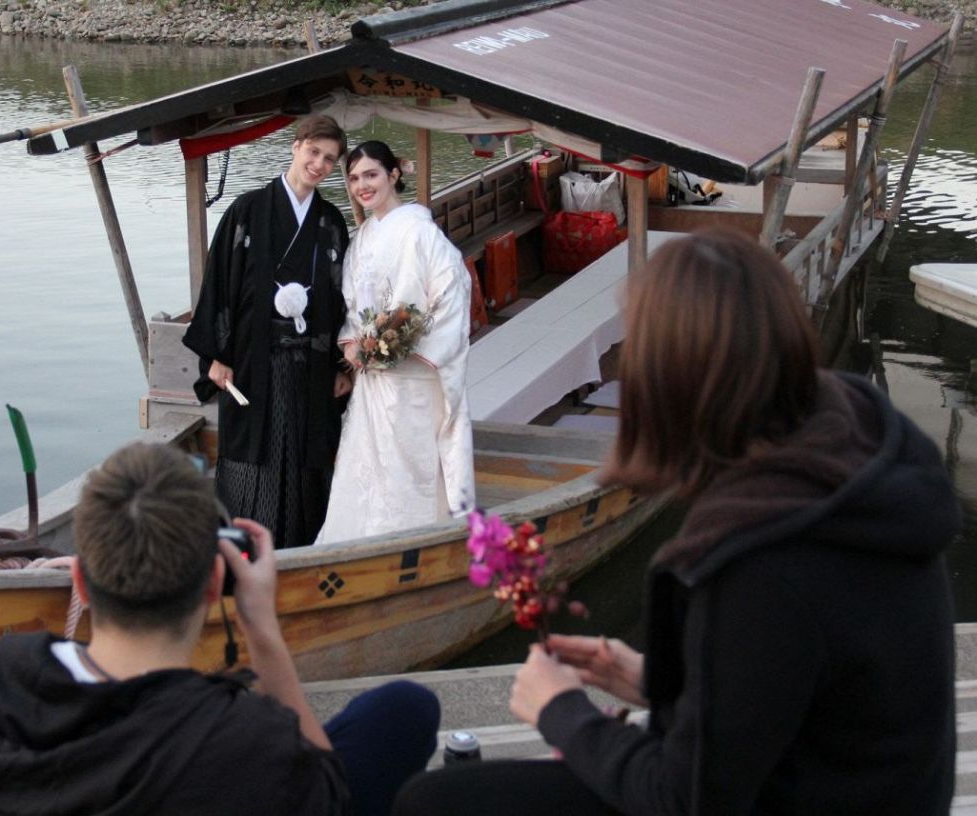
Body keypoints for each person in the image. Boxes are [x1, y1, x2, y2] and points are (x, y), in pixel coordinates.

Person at [394, 228, 960, 815]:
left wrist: (561, 711)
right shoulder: (854, 457)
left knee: (435, 803)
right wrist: (659, 680)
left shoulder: (763, 558)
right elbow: (803, 687)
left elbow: (683, 801)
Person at [0, 441, 439, 816]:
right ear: (213, 586)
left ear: (80, 581)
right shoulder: (242, 743)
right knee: (405, 710)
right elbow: (328, 797)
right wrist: (262, 627)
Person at [183, 115, 352, 549]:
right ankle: (239, 549)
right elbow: (219, 282)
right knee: (252, 456)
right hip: (252, 361)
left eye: (329, 159)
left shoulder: (330, 222)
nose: (319, 164)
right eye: (313, 152)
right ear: (296, 146)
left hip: (310, 367)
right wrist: (216, 356)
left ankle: (298, 547)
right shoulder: (248, 210)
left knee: (302, 455)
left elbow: (339, 300)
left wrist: (341, 365)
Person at [315, 140, 474, 544]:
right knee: (368, 463)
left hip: (414, 374)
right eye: (353, 178)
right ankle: (357, 544)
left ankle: (414, 540)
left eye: (371, 175)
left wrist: (404, 345)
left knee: (410, 466)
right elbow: (352, 305)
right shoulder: (363, 237)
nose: (362, 186)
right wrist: (354, 346)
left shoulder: (421, 232)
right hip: (372, 377)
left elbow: (452, 293)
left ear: (393, 176)